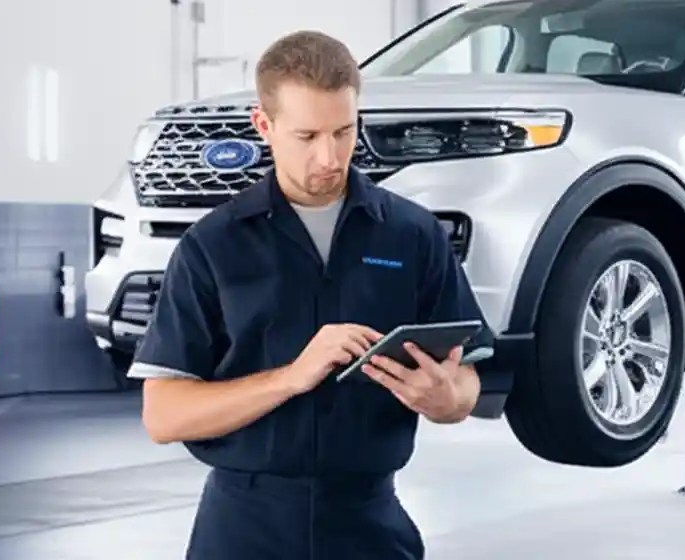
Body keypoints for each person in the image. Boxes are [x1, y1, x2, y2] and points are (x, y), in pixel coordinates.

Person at [128, 29, 495, 560]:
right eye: (307, 136)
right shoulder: (212, 246)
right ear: (264, 125)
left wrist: (447, 400)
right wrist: (291, 378)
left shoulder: (414, 236)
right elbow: (163, 416)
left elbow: (467, 379)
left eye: (343, 132)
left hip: (371, 525)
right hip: (244, 529)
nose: (330, 157)